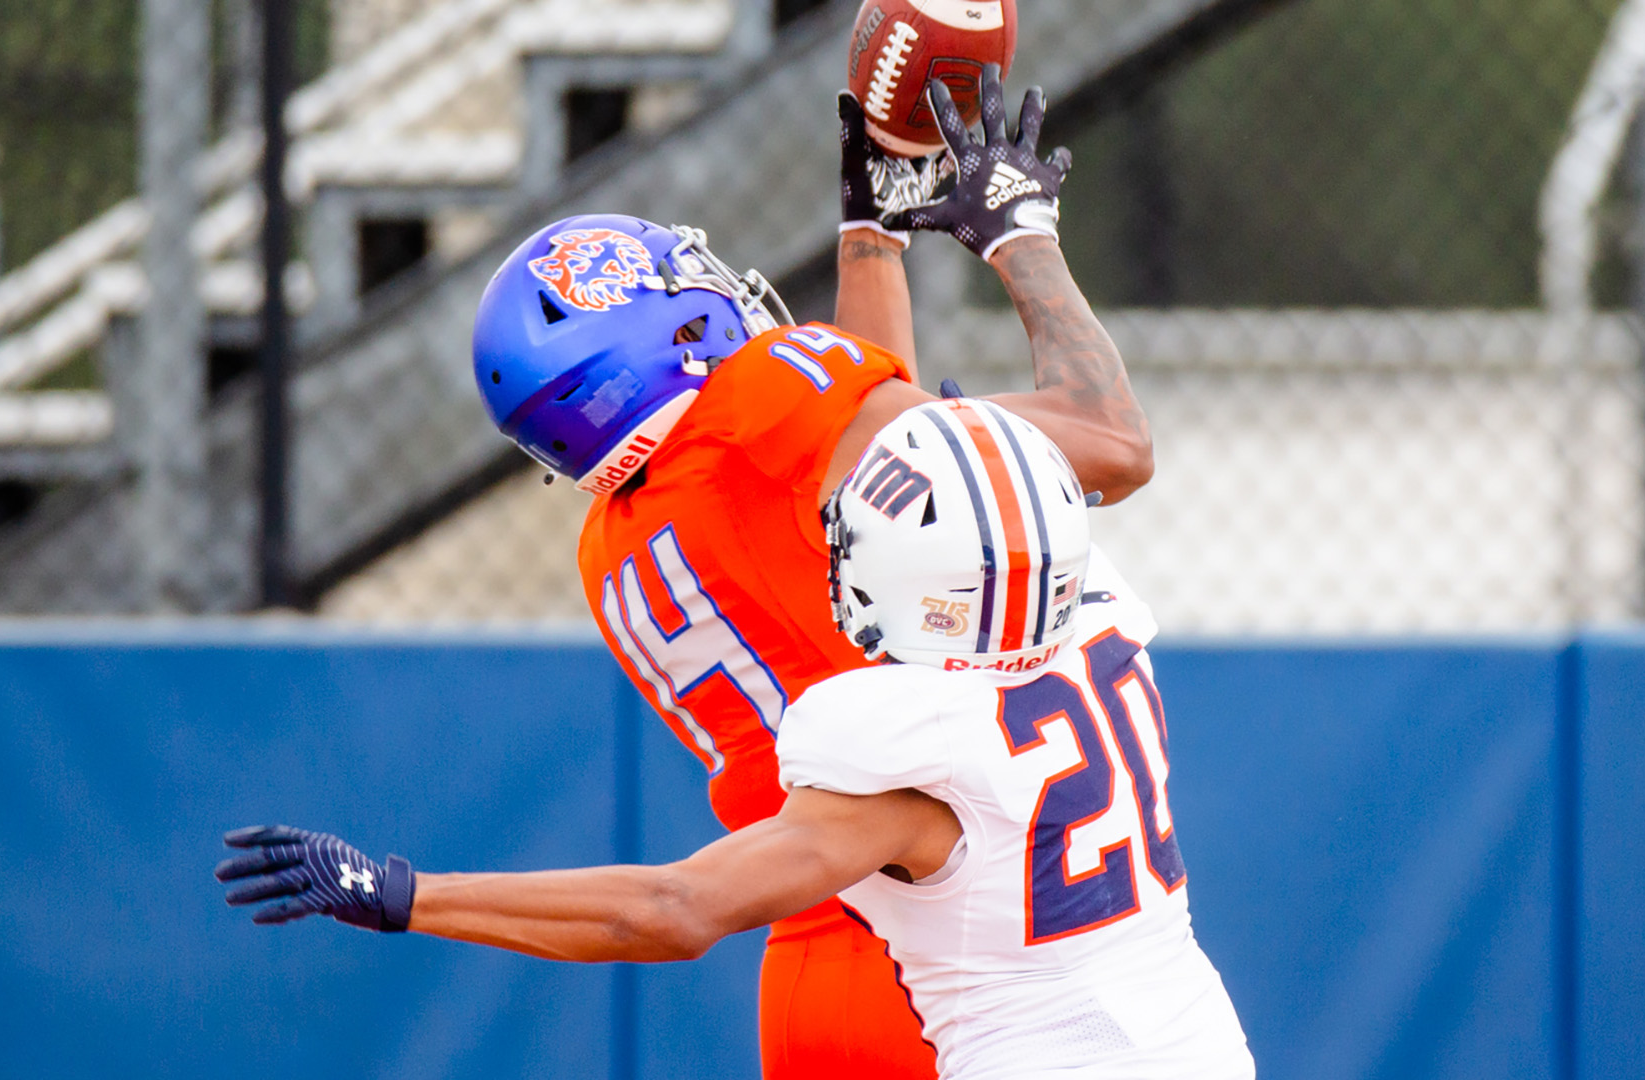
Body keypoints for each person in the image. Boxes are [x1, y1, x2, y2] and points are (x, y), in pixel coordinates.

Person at [454, 66, 1153, 1078]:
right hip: (949, 956)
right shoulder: (763, 406)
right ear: (662, 334)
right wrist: (1019, 232)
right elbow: (1111, 441)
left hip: (812, 969)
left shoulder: (618, 537)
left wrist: (873, 230)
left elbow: (878, 473)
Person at [216, 402, 1254, 1080]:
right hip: (1204, 1048)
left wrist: (406, 896)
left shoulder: (905, 750)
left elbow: (675, 910)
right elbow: (1046, 477)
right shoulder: (1098, 619)